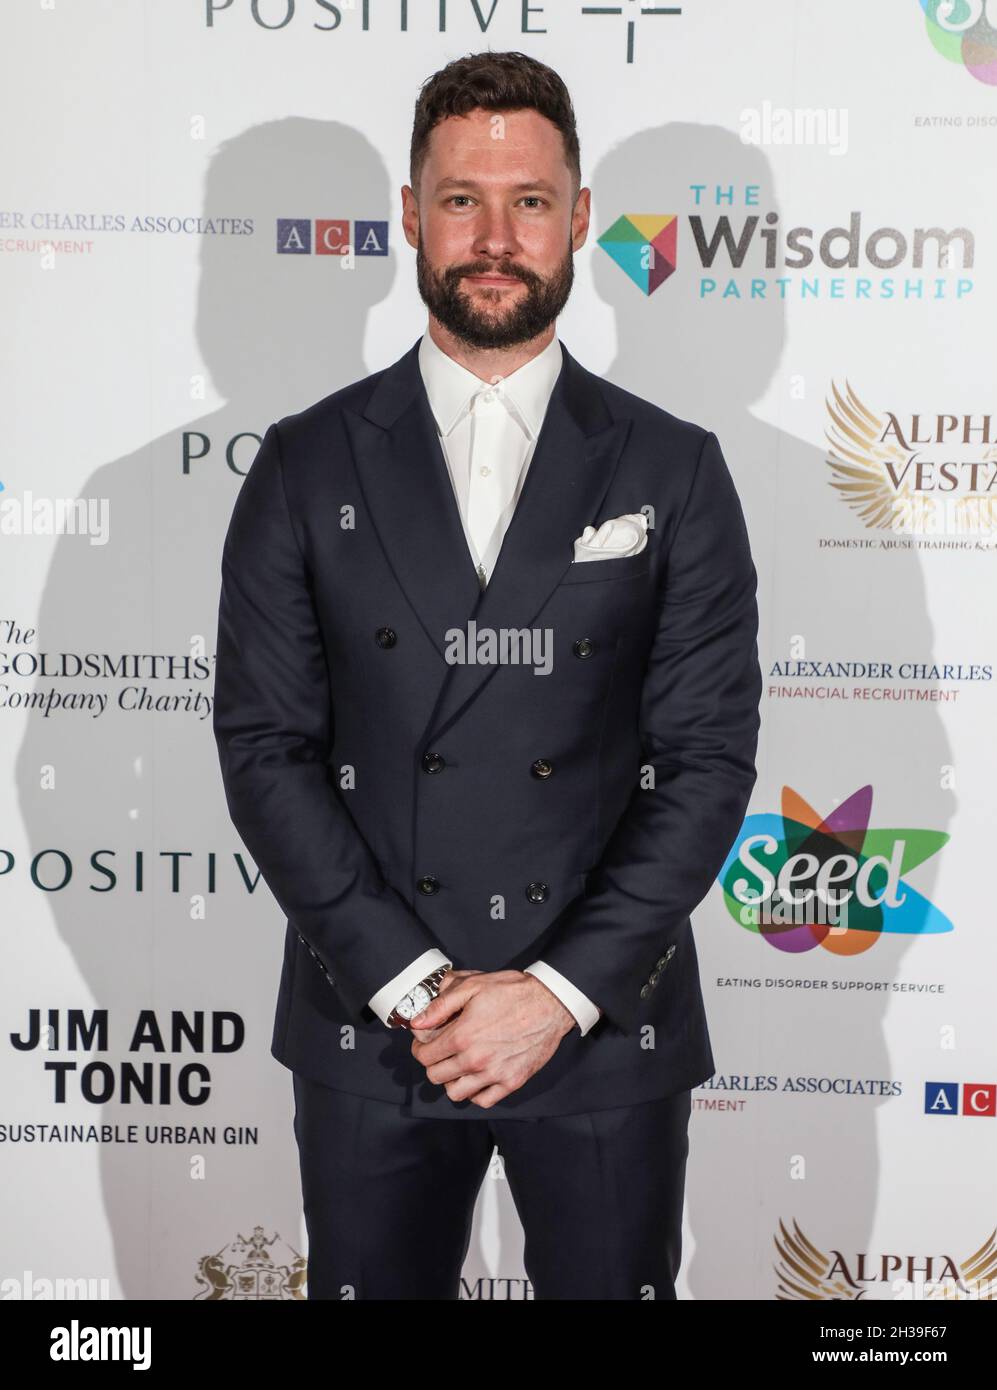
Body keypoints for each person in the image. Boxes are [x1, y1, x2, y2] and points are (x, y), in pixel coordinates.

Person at [213, 49, 762, 1300]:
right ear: (410, 215)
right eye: (462, 198)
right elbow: (265, 746)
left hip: (600, 1023)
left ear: (578, 219)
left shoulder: (673, 470)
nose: (495, 236)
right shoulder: (304, 465)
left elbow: (708, 759)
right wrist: (417, 984)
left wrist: (553, 994)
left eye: (528, 201)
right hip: (374, 1019)